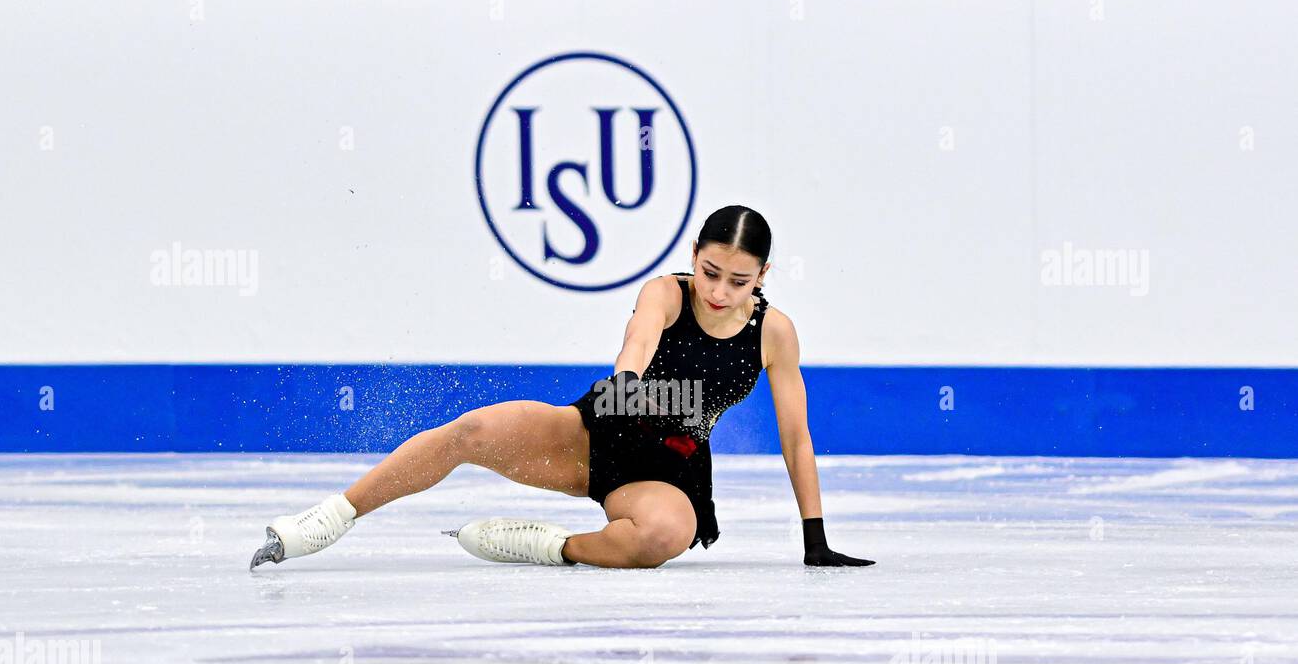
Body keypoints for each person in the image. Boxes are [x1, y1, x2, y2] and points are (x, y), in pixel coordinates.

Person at [249, 205, 874, 570]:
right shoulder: (665, 292)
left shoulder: (775, 334)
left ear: (763, 275)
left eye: (738, 281)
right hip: (600, 429)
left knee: (662, 536)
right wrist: (630, 386)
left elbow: (797, 440)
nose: (718, 292)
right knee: (470, 431)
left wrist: (814, 540)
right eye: (710, 272)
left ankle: (549, 546)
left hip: (671, 469)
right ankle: (331, 517)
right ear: (694, 255)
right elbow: (636, 348)